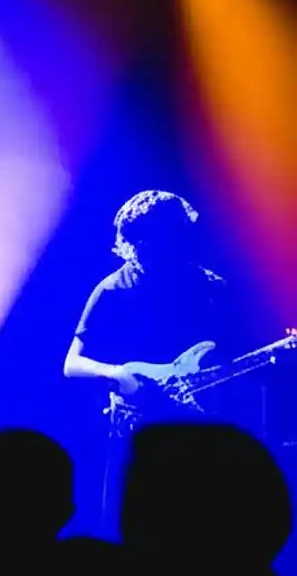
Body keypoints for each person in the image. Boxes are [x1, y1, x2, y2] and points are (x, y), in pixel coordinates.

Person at [62, 190, 244, 525]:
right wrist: (118, 374)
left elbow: (237, 356)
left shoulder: (212, 288)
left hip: (201, 426)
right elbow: (73, 364)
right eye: (142, 241)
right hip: (137, 428)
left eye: (164, 238)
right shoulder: (114, 289)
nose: (151, 250)